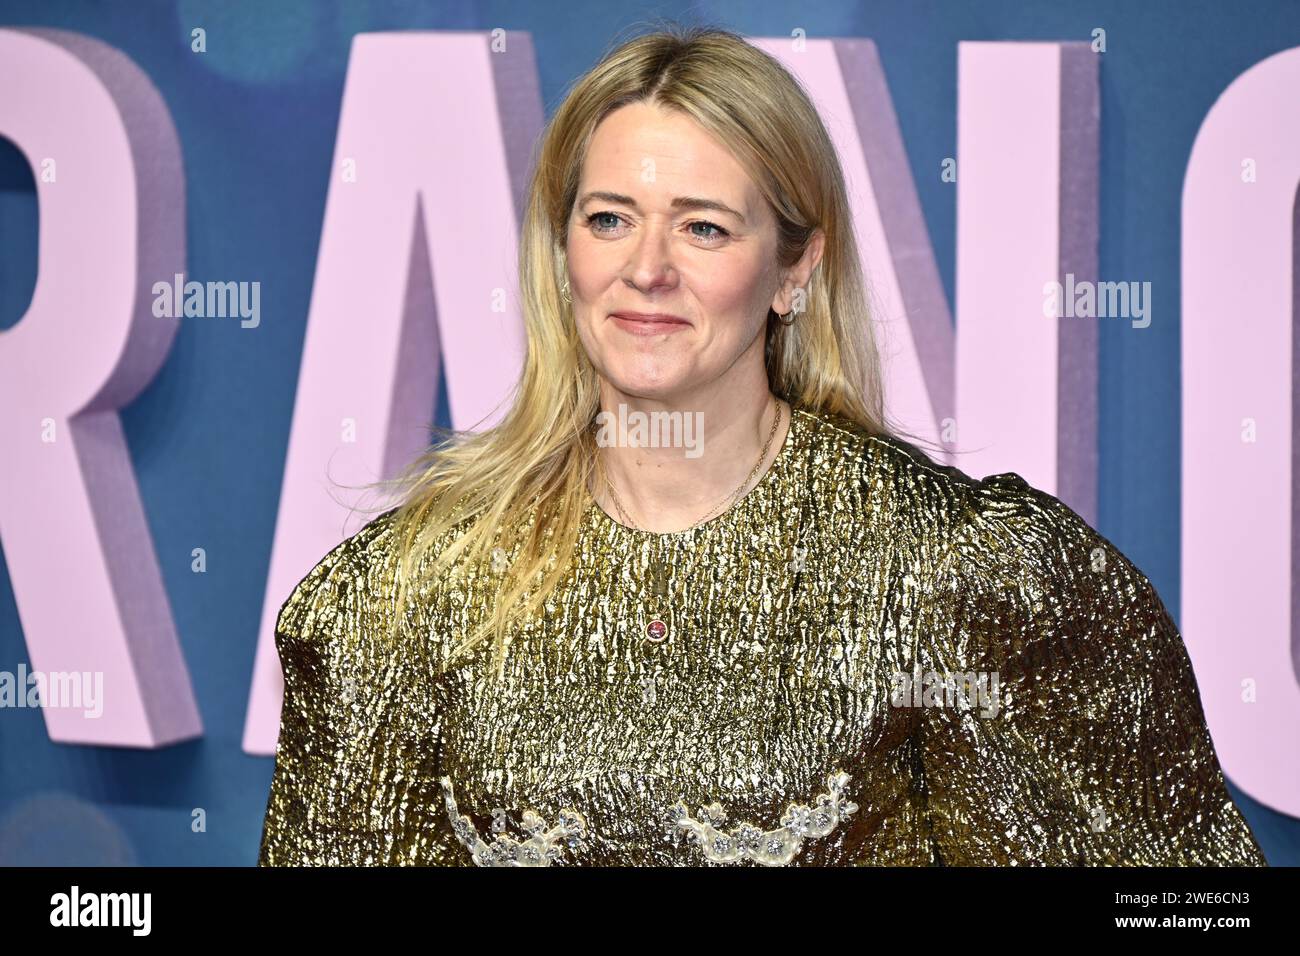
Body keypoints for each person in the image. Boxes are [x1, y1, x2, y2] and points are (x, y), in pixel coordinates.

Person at [257, 24, 1267, 867]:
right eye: (609, 219)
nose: (645, 269)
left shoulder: (952, 575)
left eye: (701, 228)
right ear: (560, 252)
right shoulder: (405, 596)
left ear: (794, 268)